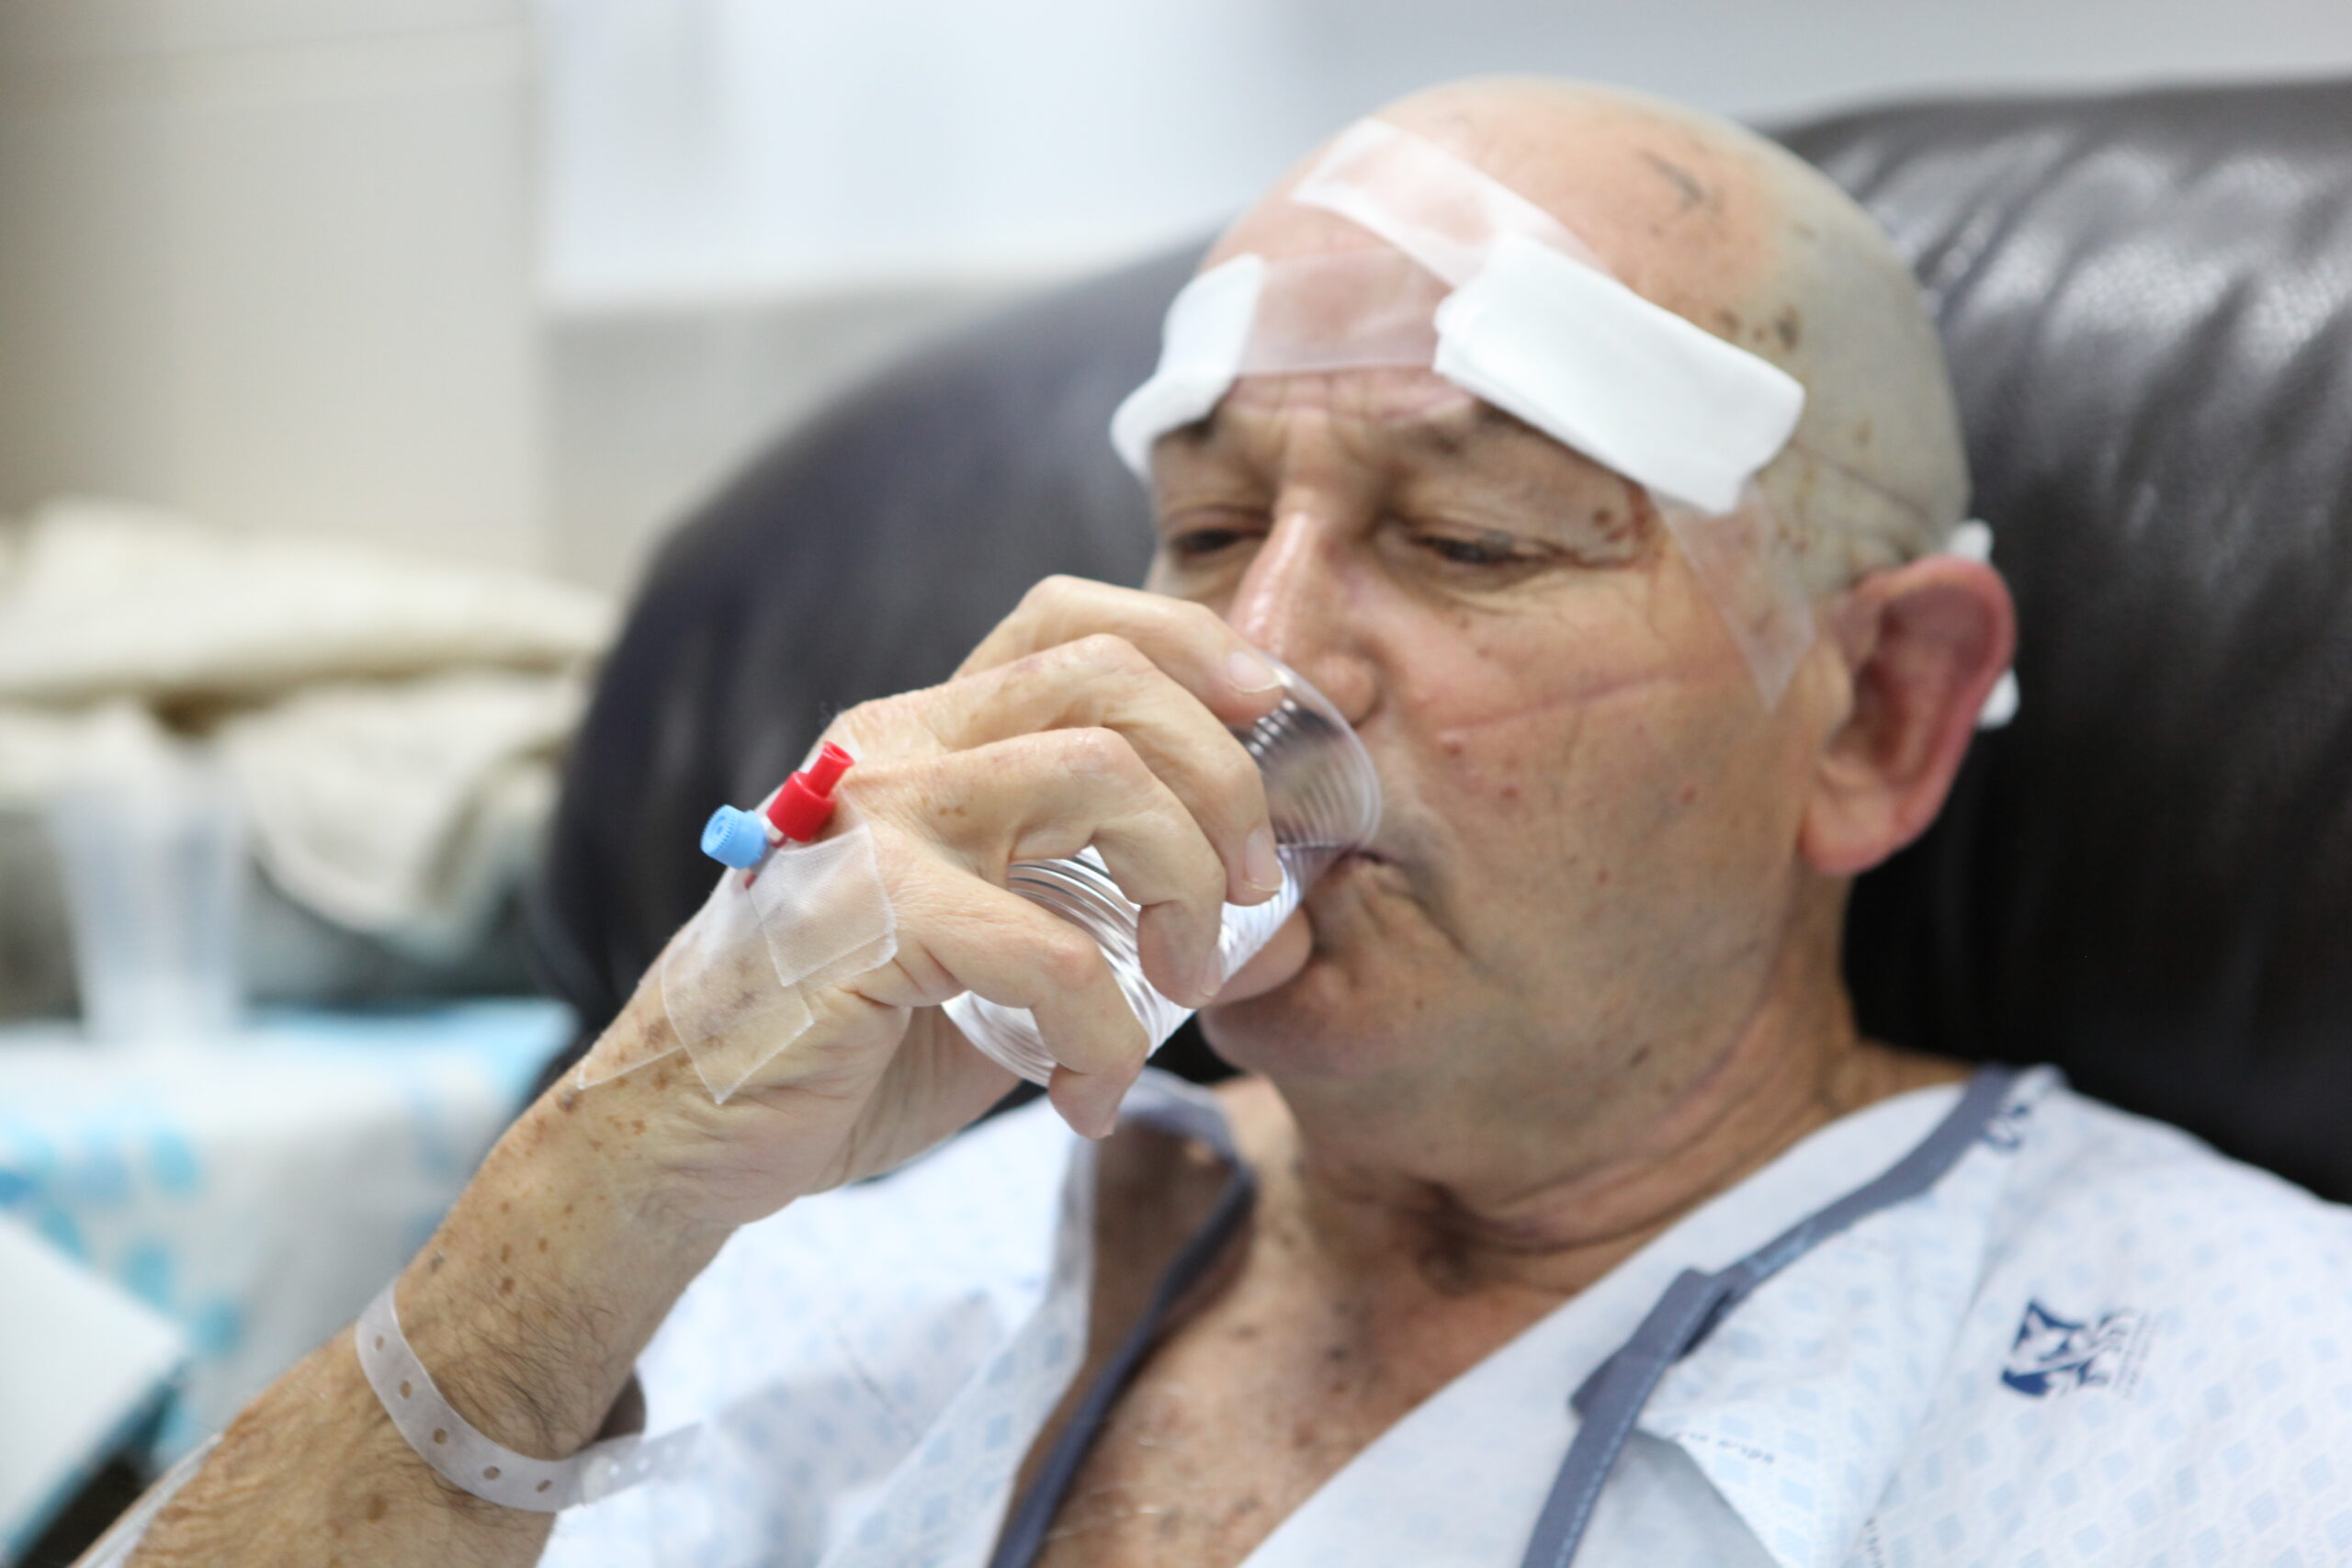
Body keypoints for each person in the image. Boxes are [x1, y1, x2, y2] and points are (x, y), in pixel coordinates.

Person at [97, 77, 2352, 1568]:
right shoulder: (857, 1261)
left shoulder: (2225, 1403)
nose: (1253, 662)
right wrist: (601, 1177)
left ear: (1870, 706)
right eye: (1198, 528)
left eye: (1468, 539)